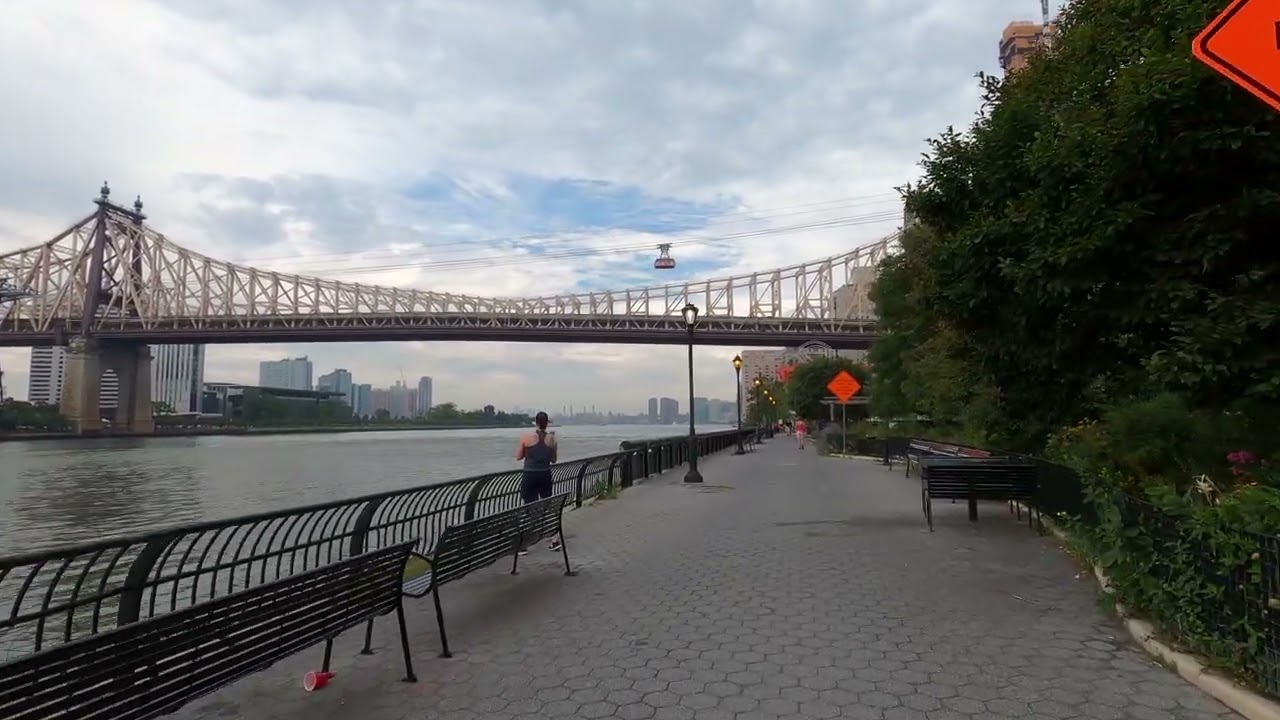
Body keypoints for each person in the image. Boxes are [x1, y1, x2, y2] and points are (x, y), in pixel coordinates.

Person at [516, 411, 561, 553]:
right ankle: (554, 540)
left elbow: (518, 456)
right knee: (547, 506)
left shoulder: (526, 437)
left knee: (528, 508)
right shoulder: (552, 439)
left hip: (529, 476)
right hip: (545, 475)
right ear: (547, 423)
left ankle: (523, 545)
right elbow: (553, 460)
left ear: (535, 422)